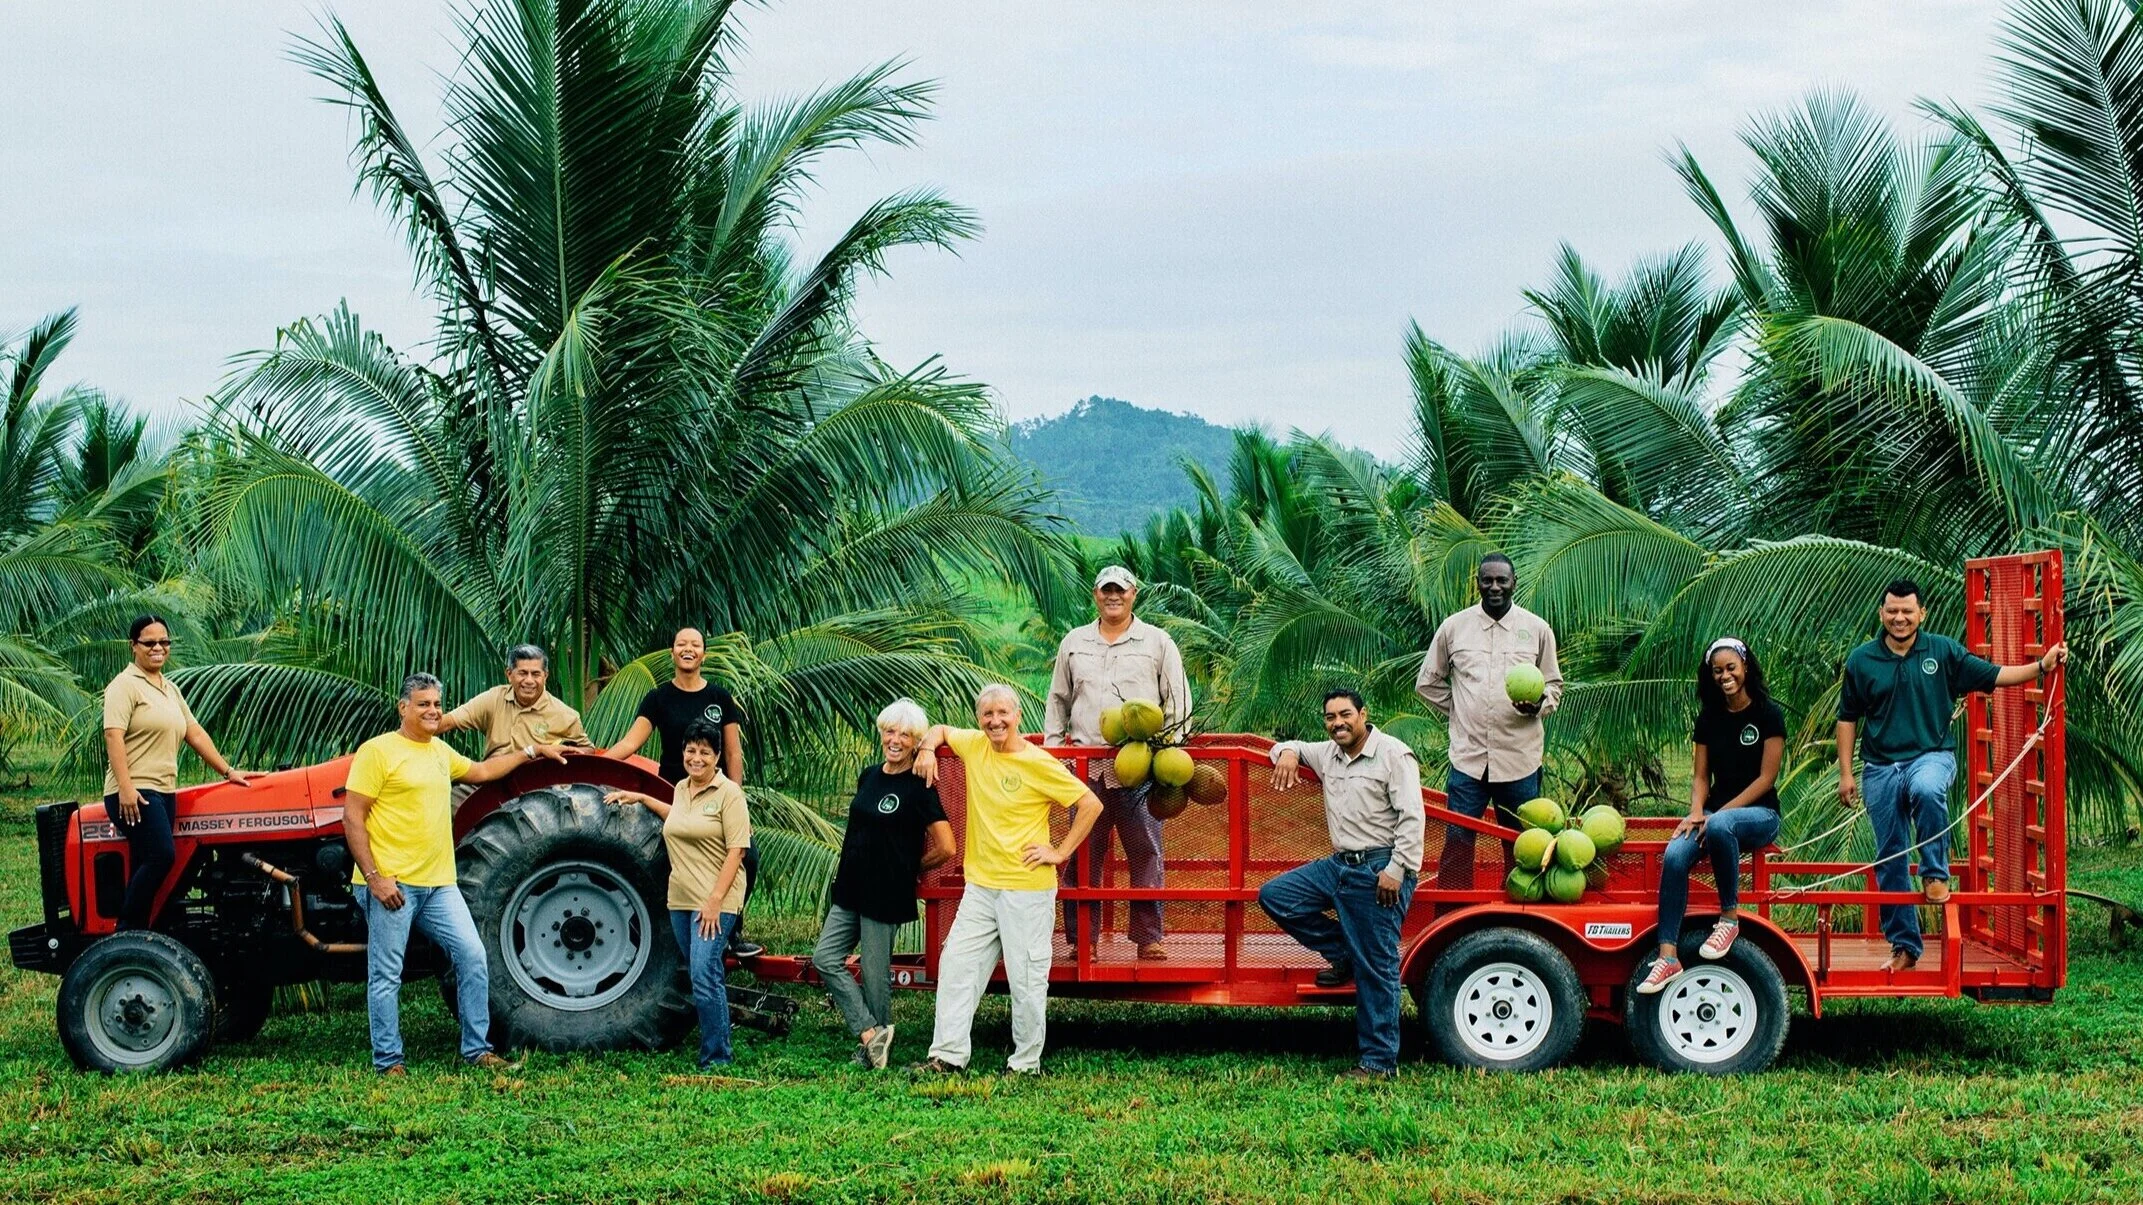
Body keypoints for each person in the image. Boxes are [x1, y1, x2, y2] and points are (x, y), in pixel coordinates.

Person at [1836, 579, 2066, 972]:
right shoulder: (1862, 660)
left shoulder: (1942, 651)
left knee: (1927, 789)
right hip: (1880, 766)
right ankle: (1904, 947)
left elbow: (1994, 674)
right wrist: (1846, 774)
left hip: (1932, 756)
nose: (1899, 618)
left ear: (1921, 614)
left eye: (1907, 611)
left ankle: (1934, 873)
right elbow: (1847, 719)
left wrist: (2041, 667)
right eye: (1892, 611)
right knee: (1889, 855)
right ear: (1881, 613)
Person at [344, 673, 570, 1074]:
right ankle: (389, 1060)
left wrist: (532, 750)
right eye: (423, 704)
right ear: (403, 708)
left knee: (472, 956)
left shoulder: (439, 751)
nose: (433, 711)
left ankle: (477, 1049)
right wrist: (375, 878)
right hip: (394, 884)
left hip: (438, 885)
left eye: (437, 704)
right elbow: (353, 817)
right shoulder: (377, 751)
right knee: (386, 974)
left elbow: (482, 772)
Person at [908, 684, 1103, 1075]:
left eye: (1003, 713)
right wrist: (927, 748)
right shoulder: (974, 746)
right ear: (979, 719)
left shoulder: (1037, 762)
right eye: (987, 714)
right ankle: (947, 1056)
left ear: (1017, 717)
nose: (995, 721)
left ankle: (1026, 1063)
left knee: (1026, 979)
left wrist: (1060, 851)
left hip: (1026, 890)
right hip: (981, 888)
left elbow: (1090, 804)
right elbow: (941, 730)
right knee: (957, 966)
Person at [1259, 689, 1426, 1081]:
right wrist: (1287, 753)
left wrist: (1397, 869)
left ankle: (1379, 1063)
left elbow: (1412, 817)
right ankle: (1346, 953)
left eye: (1345, 714)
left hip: (1380, 867)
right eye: (1330, 717)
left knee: (1377, 968)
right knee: (1276, 897)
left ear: (1363, 714)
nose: (1338, 723)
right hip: (1339, 865)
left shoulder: (1393, 755)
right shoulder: (1328, 753)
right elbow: (1288, 746)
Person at [1044, 564, 1191, 961]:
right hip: (1085, 768)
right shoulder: (1074, 642)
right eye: (1106, 590)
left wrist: (1168, 751)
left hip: (1139, 767)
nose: (1113, 596)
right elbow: (1058, 701)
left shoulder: (1157, 642)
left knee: (1145, 851)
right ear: (1096, 595)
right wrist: (1056, 756)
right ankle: (1083, 939)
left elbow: (1177, 700)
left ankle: (1148, 937)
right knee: (1083, 853)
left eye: (1120, 590)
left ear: (1133, 594)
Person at [809, 699, 956, 1069]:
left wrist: (909, 868)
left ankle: (874, 1048)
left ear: (916, 741)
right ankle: (871, 1033)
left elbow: (947, 846)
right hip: (850, 886)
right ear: (881, 733)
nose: (895, 740)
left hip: (886, 891)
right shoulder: (868, 775)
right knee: (825, 957)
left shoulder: (920, 786)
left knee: (875, 976)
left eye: (905, 735)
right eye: (890, 731)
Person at [1636, 638, 1785, 994]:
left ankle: (1729, 918)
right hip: (1714, 814)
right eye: (1717, 671)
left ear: (1746, 667)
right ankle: (1668, 956)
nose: (1725, 676)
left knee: (1720, 824)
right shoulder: (1708, 718)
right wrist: (1696, 813)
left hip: (1761, 814)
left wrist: (1718, 815)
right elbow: (1701, 777)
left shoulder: (1768, 714)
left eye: (1731, 668)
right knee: (1676, 853)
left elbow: (1766, 779)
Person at [605, 720, 752, 1069]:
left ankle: (717, 1056)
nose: (696, 758)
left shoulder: (729, 794)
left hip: (714, 902)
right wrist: (642, 798)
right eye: (691, 750)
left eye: (705, 752)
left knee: (704, 974)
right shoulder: (683, 788)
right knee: (700, 972)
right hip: (681, 900)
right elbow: (681, 821)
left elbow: (738, 850)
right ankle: (713, 1043)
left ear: (717, 757)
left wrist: (715, 901)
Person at [607, 627, 762, 957]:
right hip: (672, 792)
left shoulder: (720, 697)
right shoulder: (658, 697)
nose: (688, 649)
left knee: (747, 857)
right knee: (667, 862)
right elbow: (631, 743)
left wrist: (736, 799)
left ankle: (731, 932)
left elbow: (733, 752)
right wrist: (594, 761)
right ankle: (665, 936)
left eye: (695, 645)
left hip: (715, 795)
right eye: (681, 644)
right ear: (673, 652)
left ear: (704, 654)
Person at [1417, 553, 1562, 898]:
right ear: (1478, 584)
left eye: (1502, 580)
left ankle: (1517, 914)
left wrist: (1539, 705)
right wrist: (1461, 710)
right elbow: (1427, 682)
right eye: (1487, 580)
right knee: (1457, 843)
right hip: (1468, 760)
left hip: (1519, 759)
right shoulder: (1454, 628)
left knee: (1522, 846)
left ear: (1514, 583)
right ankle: (1452, 913)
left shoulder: (1537, 629)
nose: (1494, 586)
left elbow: (1554, 685)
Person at [100, 615, 255, 930]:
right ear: (133, 646)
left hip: (164, 791)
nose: (158, 648)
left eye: (164, 642)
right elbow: (113, 735)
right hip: (135, 791)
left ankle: (143, 933)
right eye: (149, 643)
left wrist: (228, 771)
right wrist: (126, 789)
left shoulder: (169, 688)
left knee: (146, 861)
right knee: (161, 856)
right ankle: (124, 934)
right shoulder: (124, 685)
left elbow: (194, 733)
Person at [440, 643, 593, 810]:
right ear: (509, 674)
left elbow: (588, 750)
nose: (529, 680)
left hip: (535, 788)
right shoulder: (494, 698)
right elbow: (448, 722)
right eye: (522, 673)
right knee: (449, 802)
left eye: (536, 674)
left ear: (545, 676)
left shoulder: (565, 714)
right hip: (490, 780)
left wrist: (562, 755)